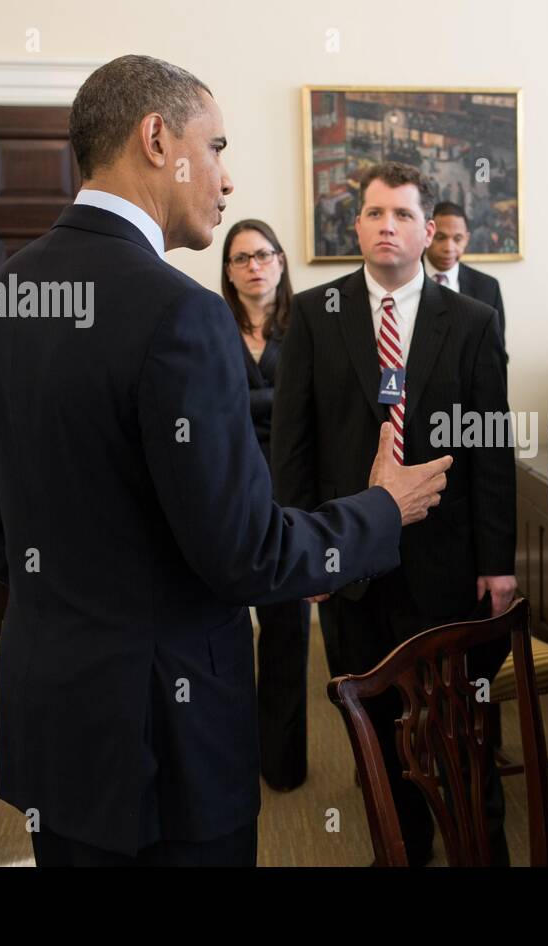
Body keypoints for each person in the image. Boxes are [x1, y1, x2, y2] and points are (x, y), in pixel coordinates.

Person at [0, 55, 451, 866]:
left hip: (55, 723)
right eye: (216, 146)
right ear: (158, 139)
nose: (226, 180)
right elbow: (246, 556)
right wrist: (382, 508)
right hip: (166, 745)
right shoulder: (181, 314)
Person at [273, 162, 515, 866]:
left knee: (462, 733)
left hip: (447, 568)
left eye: (403, 215)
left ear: (428, 230)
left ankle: (481, 853)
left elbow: (491, 447)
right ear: (357, 226)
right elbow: (293, 447)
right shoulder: (316, 315)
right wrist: (304, 553)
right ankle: (400, 852)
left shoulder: (470, 320)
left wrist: (497, 561)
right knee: (376, 738)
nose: (388, 226)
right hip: (351, 566)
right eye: (375, 213)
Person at [219, 218, 310, 793]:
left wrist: (251, 402)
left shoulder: (309, 327)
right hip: (229, 493)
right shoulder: (212, 326)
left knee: (286, 634)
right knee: (224, 636)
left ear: (280, 261)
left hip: (293, 496)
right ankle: (229, 761)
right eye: (241, 258)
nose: (254, 266)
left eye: (263, 255)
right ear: (228, 273)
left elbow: (319, 410)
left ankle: (282, 764)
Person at [425, 200, 507, 351]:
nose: (449, 248)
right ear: (427, 235)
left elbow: (497, 353)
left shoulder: (488, 288)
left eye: (457, 239)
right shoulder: (402, 279)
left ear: (467, 239)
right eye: (440, 237)